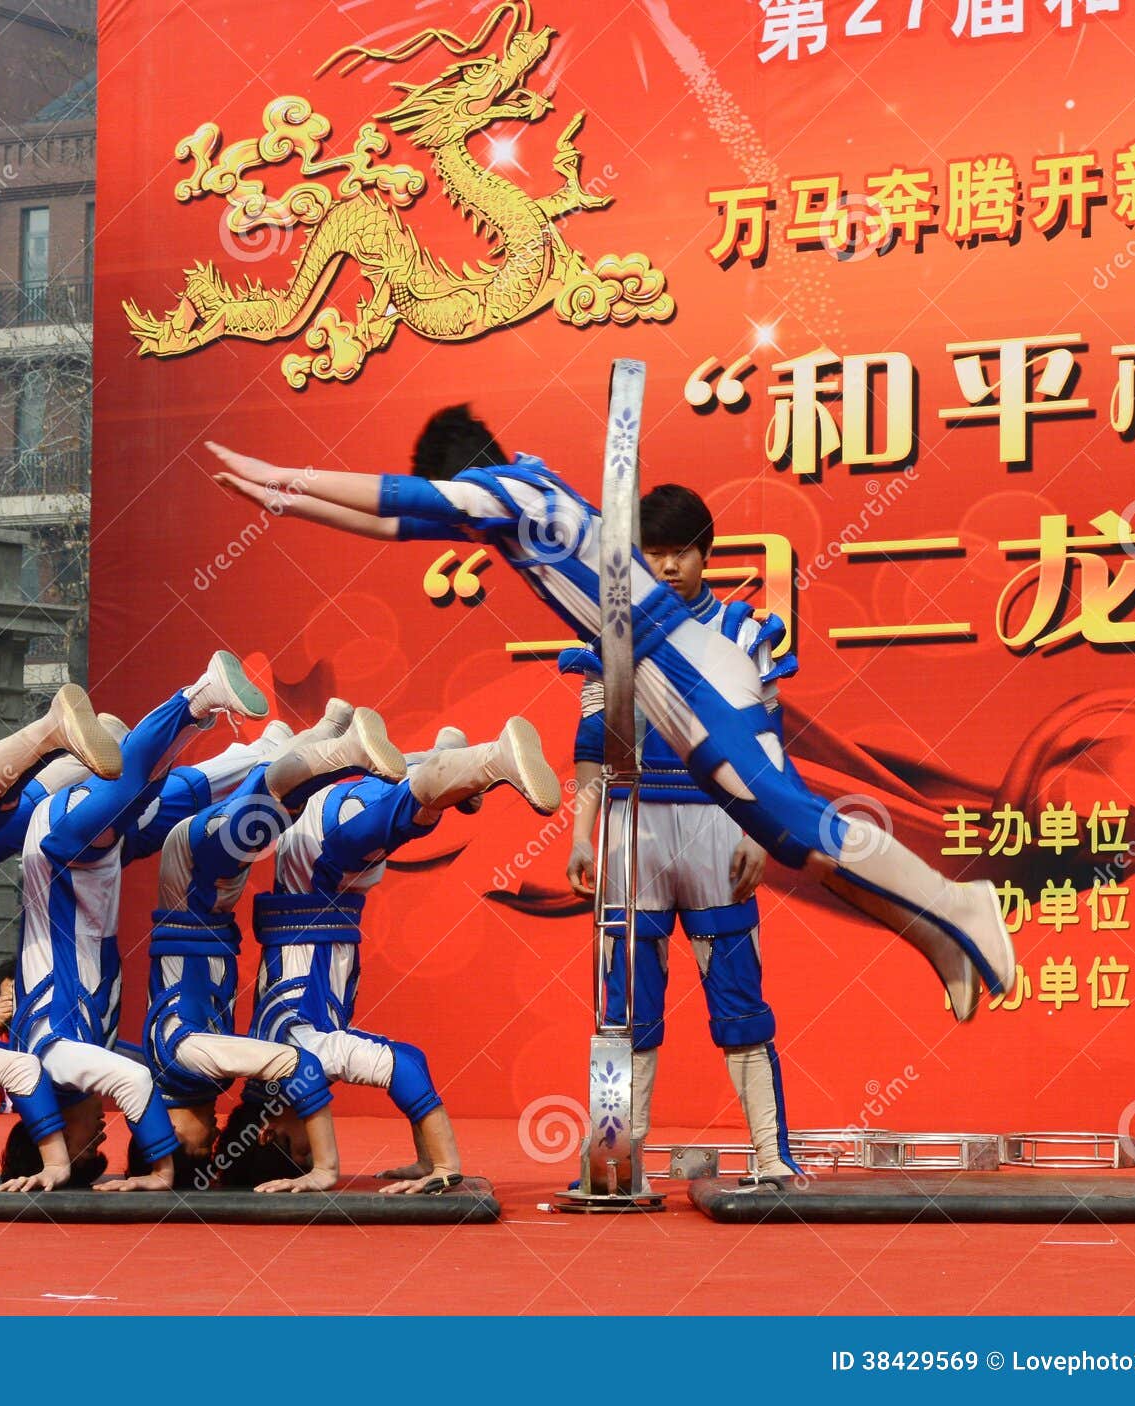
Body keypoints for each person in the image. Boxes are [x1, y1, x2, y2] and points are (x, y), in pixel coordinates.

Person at [206, 411, 1014, 1021]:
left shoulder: (512, 490)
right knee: (791, 838)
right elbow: (395, 522)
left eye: (457, 498)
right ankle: (937, 936)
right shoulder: (517, 505)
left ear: (470, 477)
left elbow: (401, 498)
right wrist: (283, 502)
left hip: (690, 664)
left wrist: (288, 475)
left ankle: (959, 903)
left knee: (797, 823)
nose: (453, 521)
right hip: (659, 672)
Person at [0, 672, 236, 1190]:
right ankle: (95, 747)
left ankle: (67, 727)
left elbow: (22, 1072)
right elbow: (131, 1070)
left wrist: (59, 1161)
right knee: (24, 804)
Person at [565, 482, 803, 1179]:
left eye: (681, 554)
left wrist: (763, 833)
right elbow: (589, 744)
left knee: (740, 1001)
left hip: (715, 826)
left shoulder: (741, 632)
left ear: (707, 554)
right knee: (623, 1006)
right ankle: (615, 1159)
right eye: (655, 554)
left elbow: (767, 744)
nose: (667, 568)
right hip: (628, 828)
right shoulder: (609, 631)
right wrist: (580, 834)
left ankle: (771, 1158)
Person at [233, 720, 559, 1193]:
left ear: (268, 1131)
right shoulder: (267, 1057)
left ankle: (493, 756)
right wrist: (425, 1162)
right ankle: (447, 756)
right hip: (326, 863)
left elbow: (401, 1070)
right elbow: (411, 1056)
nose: (317, 1141)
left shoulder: (300, 1053)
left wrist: (447, 1168)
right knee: (403, 802)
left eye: (302, 1150)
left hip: (321, 863)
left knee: (410, 810)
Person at [142, 706, 407, 1192]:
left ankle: (212, 704)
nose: (216, 1134)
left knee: (263, 818)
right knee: (277, 814)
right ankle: (316, 735)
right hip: (214, 907)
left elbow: (295, 1062)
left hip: (191, 890)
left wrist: (159, 1169)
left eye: (203, 1144)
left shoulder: (183, 1060)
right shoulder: (199, 1076)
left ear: (171, 1133)